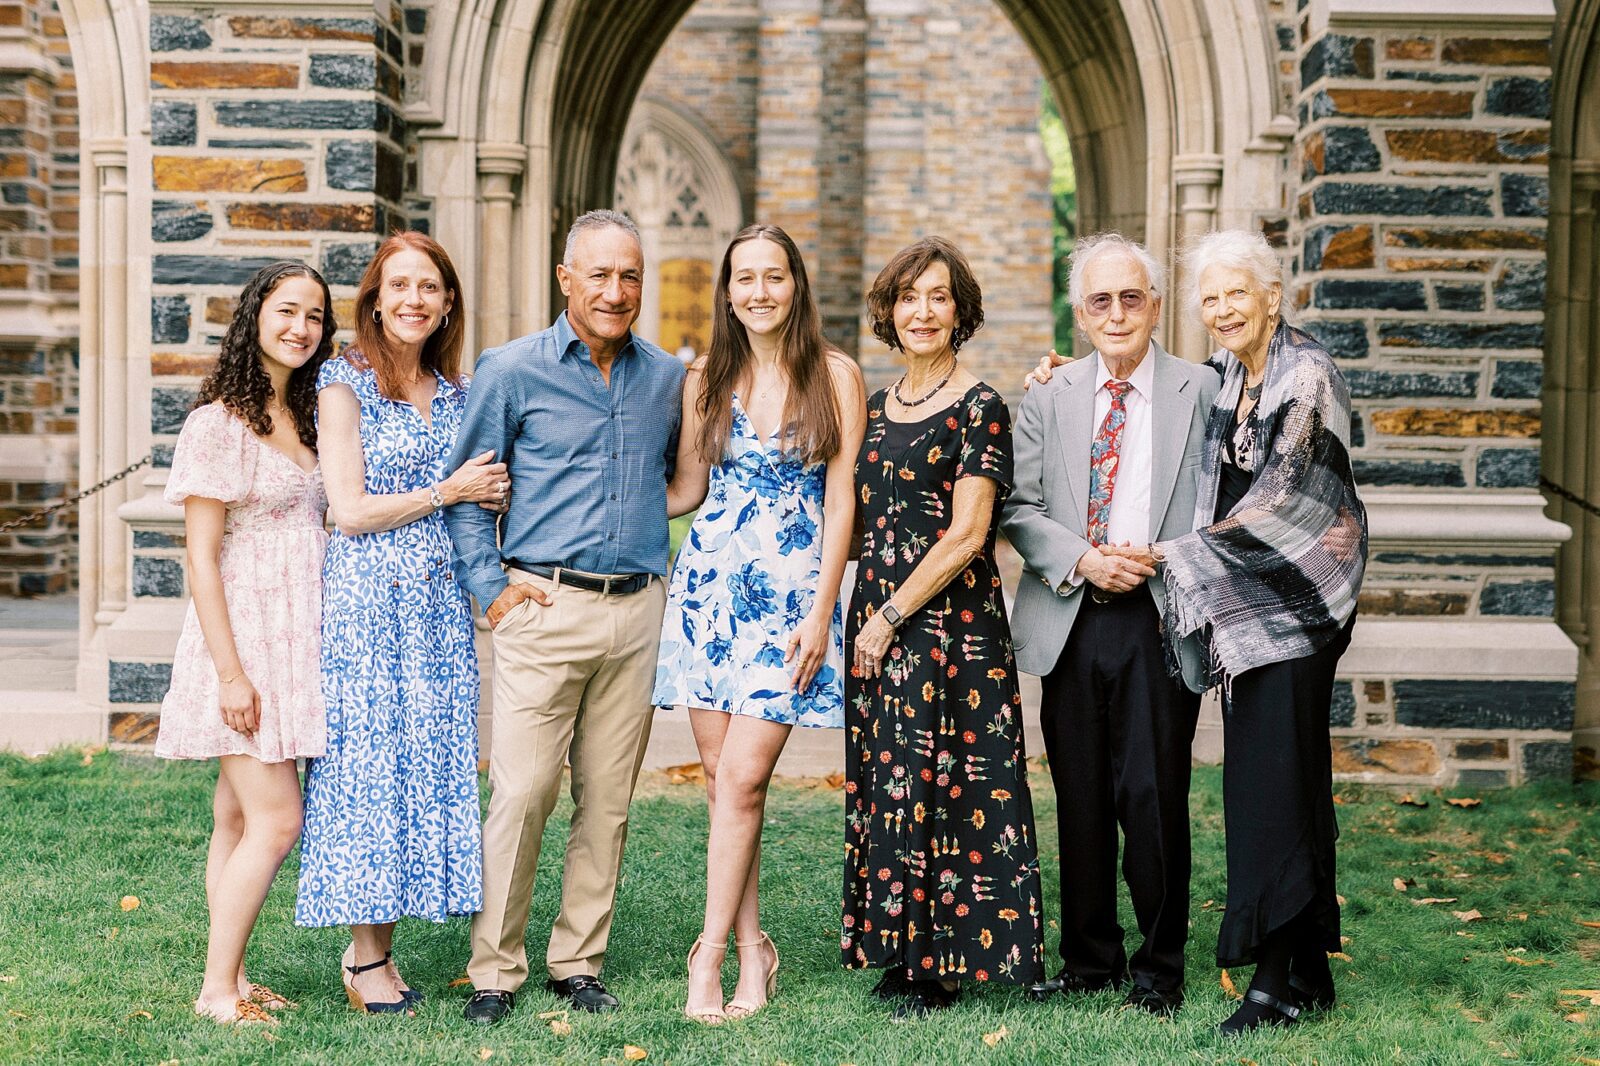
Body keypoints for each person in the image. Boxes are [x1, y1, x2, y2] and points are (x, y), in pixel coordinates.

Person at [1098, 229, 1367, 1035]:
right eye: (1210, 299)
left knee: (1269, 786)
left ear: (1272, 297)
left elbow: (1281, 501)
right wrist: (1066, 378)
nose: (1221, 311)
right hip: (1246, 610)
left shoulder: (1306, 373)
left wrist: (1169, 555)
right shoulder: (1225, 377)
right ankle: (1310, 966)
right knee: (1280, 777)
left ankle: (1276, 981)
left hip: (1299, 605)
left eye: (1236, 294)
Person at [445, 209, 686, 1026]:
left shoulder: (666, 377)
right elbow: (471, 494)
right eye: (600, 275)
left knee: (609, 800)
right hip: (542, 605)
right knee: (522, 792)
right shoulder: (510, 371)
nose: (616, 292)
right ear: (565, 280)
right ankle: (494, 969)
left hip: (636, 612)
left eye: (630, 277)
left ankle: (577, 961)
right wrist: (491, 589)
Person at [1003, 233, 1219, 1016]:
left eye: (1133, 297)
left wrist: (1163, 556)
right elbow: (1017, 506)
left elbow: (1227, 505)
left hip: (1160, 617)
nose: (1118, 312)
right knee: (1082, 796)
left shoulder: (1205, 389)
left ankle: (1159, 972)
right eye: (1101, 300)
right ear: (1081, 314)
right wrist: (1083, 559)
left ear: (1156, 306)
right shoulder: (1048, 396)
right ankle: (1089, 961)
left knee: (1152, 795)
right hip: (1072, 613)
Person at [655, 224, 866, 1023]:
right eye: (744, 278)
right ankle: (753, 950)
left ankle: (705, 959)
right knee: (722, 787)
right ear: (728, 290)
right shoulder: (705, 375)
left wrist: (823, 612)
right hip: (709, 588)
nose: (759, 292)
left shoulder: (836, 375)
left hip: (790, 600)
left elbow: (842, 498)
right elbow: (684, 489)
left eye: (773, 276)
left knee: (743, 779)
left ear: (795, 285)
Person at [295, 232, 508, 1014]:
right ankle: (364, 961)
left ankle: (392, 939)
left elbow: (478, 487)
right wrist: (447, 492)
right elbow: (347, 511)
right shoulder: (343, 381)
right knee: (367, 774)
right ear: (375, 299)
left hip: (438, 606)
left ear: (448, 302)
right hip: (365, 606)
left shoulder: (457, 390)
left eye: (430, 287)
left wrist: (491, 493)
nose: (414, 300)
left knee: (425, 766)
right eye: (400, 286)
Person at [841, 236, 1045, 1020]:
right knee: (893, 780)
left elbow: (968, 535)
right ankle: (901, 947)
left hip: (948, 627)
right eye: (908, 298)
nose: (922, 311)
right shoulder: (880, 403)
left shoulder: (981, 404)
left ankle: (943, 964)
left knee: (951, 782)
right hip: (879, 621)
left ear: (961, 311)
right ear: (890, 311)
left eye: (938, 297)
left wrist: (891, 614)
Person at [156, 261, 336, 1024]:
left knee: (235, 819)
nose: (301, 327)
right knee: (278, 820)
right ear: (255, 315)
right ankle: (215, 991)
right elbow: (200, 556)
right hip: (245, 643)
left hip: (300, 637)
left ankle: (232, 974)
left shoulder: (311, 412)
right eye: (287, 310)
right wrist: (231, 675)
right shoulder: (218, 423)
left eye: (317, 316)